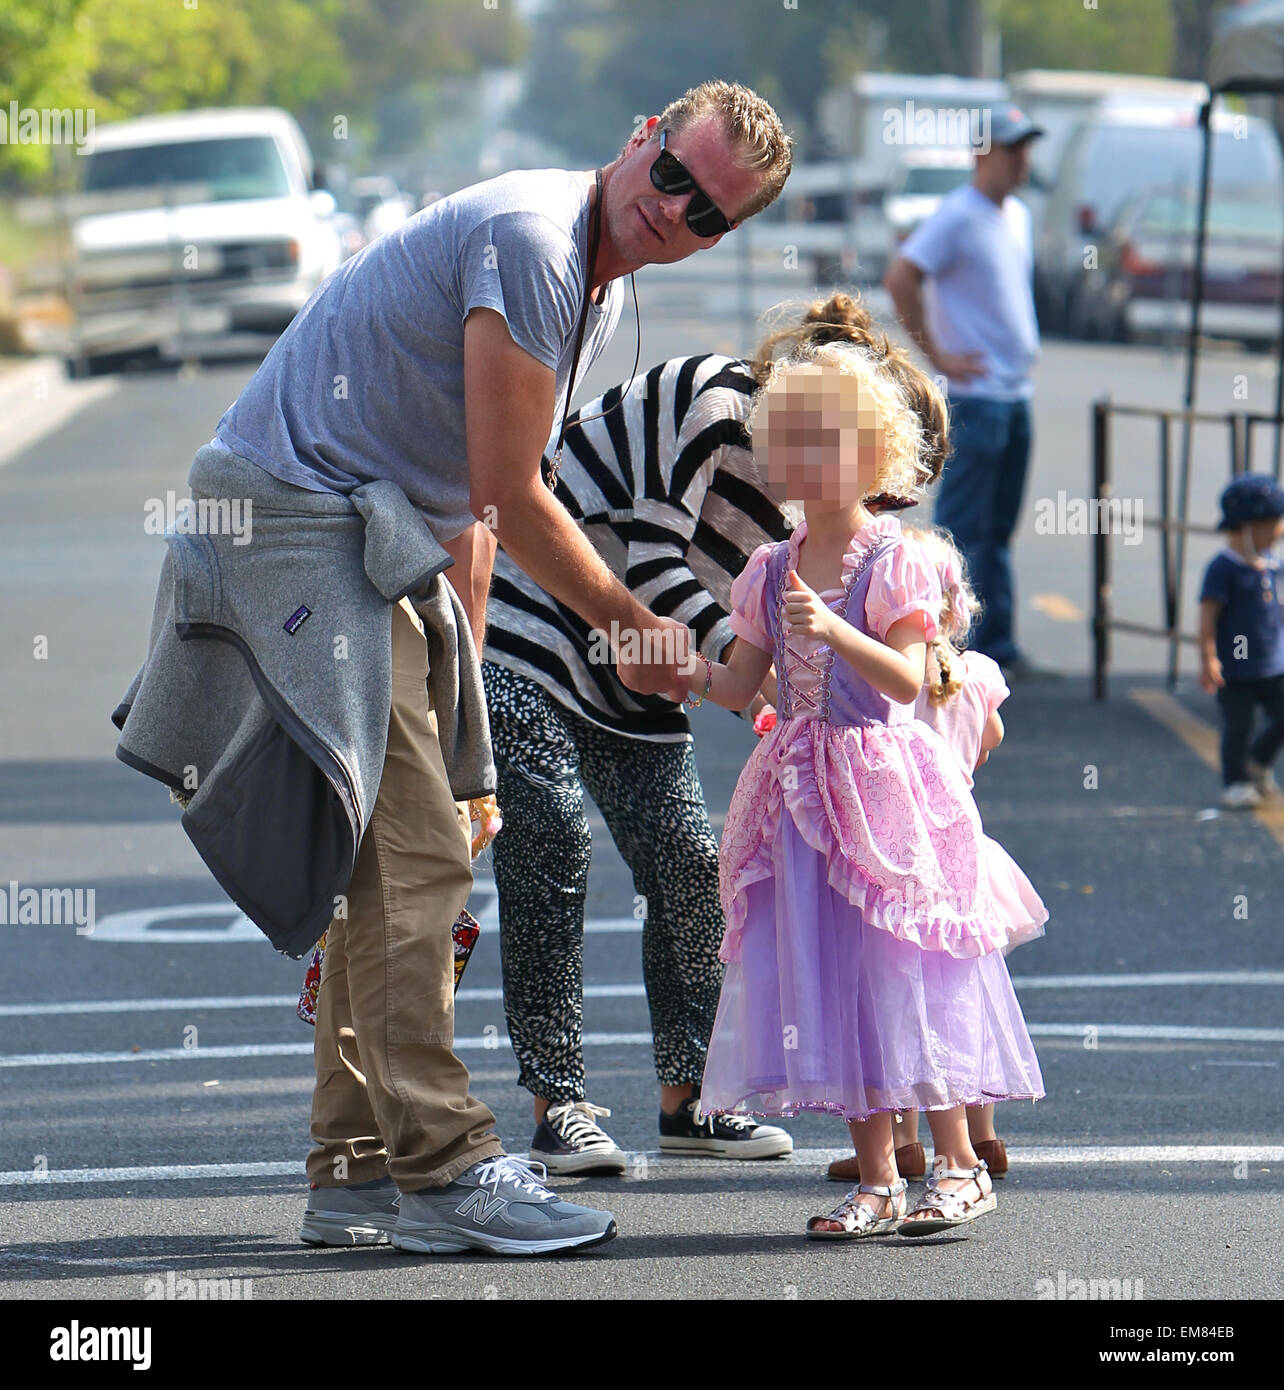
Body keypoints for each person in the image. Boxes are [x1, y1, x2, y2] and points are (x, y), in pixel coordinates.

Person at [172, 79, 792, 1257]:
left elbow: (473, 507)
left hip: (375, 535)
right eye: (673, 177)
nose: (677, 214)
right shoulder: (533, 243)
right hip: (295, 520)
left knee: (400, 845)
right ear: (641, 135)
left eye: (711, 217)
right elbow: (516, 488)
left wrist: (463, 705)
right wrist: (629, 625)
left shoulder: (596, 302)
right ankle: (447, 1164)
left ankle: (354, 1166)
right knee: (415, 857)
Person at [482, 292, 945, 1173]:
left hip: (649, 654)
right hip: (532, 621)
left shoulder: (814, 507)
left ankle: (688, 1096)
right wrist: (760, 681)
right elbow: (654, 564)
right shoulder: (716, 404)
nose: (886, 498)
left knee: (691, 860)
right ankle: (558, 1101)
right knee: (551, 836)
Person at [678, 342, 1044, 1238]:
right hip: (801, 796)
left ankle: (958, 1165)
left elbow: (910, 682)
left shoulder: (898, 562)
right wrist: (676, 671)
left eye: (829, 441)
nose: (808, 460)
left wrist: (834, 633)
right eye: (793, 441)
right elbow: (741, 686)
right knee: (831, 978)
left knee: (907, 971)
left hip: (886, 792)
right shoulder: (770, 567)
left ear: (876, 455)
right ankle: (877, 1179)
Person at [825, 525, 1048, 1188]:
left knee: (904, 987)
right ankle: (983, 1136)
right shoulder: (975, 675)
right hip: (964, 848)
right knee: (962, 991)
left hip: (905, 846)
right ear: (960, 609)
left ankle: (902, 1141)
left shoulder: (889, 678)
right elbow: (990, 739)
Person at [884, 105, 1050, 681]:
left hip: (1013, 392)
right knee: (964, 523)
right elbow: (902, 277)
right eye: (1012, 150)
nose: (1021, 161)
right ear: (983, 154)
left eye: (1025, 149)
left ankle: (996, 642)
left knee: (998, 526)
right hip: (978, 396)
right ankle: (950, 644)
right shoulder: (958, 214)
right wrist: (940, 356)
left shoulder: (1018, 216)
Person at [1199, 474, 1284, 810]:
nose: (1279, 530)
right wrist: (1209, 658)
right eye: (1274, 522)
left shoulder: (1274, 565)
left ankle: (1259, 762)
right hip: (1236, 671)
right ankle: (1235, 781)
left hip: (1274, 664)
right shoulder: (1224, 569)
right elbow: (1208, 616)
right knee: (1239, 726)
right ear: (1248, 526)